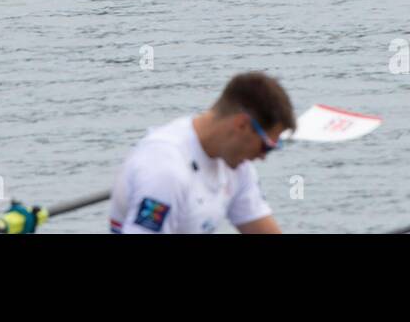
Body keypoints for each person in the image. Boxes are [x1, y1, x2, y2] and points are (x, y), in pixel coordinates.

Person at [109, 71, 296, 234]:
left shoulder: (237, 165)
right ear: (242, 125)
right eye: (266, 146)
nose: (263, 157)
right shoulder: (165, 171)